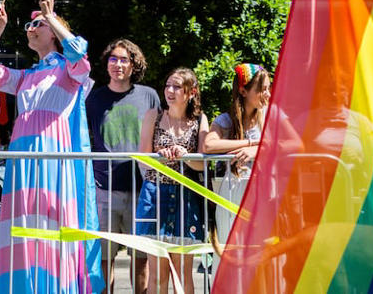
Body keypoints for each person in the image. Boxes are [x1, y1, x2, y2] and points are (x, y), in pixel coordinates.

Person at [0, 0, 103, 294]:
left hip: (53, 159)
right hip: (22, 162)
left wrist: (51, 16)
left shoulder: (68, 69)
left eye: (37, 25)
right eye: (29, 26)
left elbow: (80, 54)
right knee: (22, 229)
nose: (31, 29)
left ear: (53, 31)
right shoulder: (26, 76)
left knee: (52, 224)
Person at [86, 39, 159, 293]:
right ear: (106, 63)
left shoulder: (148, 95)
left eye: (124, 59)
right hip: (104, 189)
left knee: (140, 260)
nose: (118, 64)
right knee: (105, 260)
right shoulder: (93, 98)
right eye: (113, 59)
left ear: (133, 64)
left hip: (141, 190)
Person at [135, 67, 209, 294]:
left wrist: (185, 156)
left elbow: (202, 163)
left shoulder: (200, 120)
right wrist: (161, 157)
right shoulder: (153, 116)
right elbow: (143, 159)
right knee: (158, 273)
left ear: (191, 92)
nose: (170, 90)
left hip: (185, 197)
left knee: (182, 271)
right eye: (168, 85)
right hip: (154, 194)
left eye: (177, 86)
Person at [203, 64, 270, 245]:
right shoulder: (226, 119)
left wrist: (257, 150)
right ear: (243, 91)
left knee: (258, 250)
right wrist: (250, 142)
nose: (268, 94)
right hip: (233, 190)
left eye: (268, 89)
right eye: (262, 89)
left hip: (263, 192)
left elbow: (294, 144)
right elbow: (208, 145)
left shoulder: (271, 116)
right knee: (230, 246)